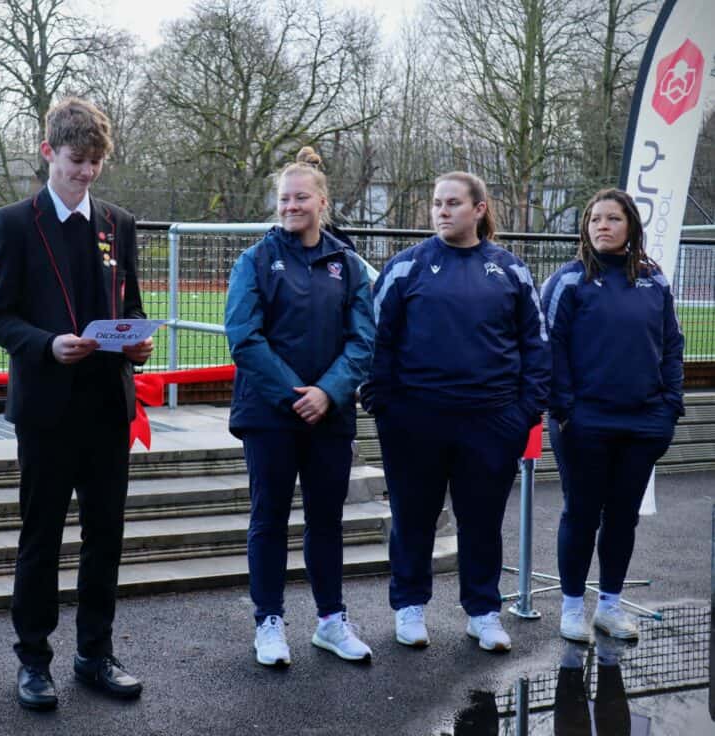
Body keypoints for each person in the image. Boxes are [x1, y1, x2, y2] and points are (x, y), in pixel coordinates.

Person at [0, 97, 151, 709]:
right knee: (42, 538)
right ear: (49, 152)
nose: (86, 173)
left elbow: (130, 304)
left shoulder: (118, 223)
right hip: (47, 409)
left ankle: (95, 653)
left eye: (96, 163)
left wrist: (136, 340)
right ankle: (34, 660)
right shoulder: (13, 223)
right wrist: (46, 344)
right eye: (77, 160)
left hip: (109, 404)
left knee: (106, 534)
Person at [362, 171, 550, 652]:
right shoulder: (408, 267)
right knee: (413, 518)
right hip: (415, 421)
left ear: (479, 209)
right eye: (436, 203)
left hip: (491, 422)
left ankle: (484, 612)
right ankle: (409, 606)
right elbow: (375, 341)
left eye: (453, 203)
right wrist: (385, 406)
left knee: (481, 521)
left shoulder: (511, 271)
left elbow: (537, 346)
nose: (442, 211)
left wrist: (524, 411)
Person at [225, 146, 376, 667]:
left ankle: (331, 621)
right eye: (284, 198)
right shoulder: (256, 260)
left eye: (300, 197)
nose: (290, 206)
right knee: (269, 516)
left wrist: (327, 393)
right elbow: (244, 337)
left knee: (326, 520)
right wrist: (297, 394)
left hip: (329, 416)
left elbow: (364, 341)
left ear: (322, 202)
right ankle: (269, 621)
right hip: (270, 415)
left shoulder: (349, 264)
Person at [541, 188, 683, 644]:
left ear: (631, 227)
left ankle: (609, 606)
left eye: (612, 219)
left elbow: (672, 347)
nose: (602, 225)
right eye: (595, 219)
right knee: (581, 515)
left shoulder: (654, 281)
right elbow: (550, 350)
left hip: (644, 423)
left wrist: (669, 409)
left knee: (623, 518)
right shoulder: (567, 282)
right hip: (583, 423)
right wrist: (564, 412)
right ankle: (570, 608)